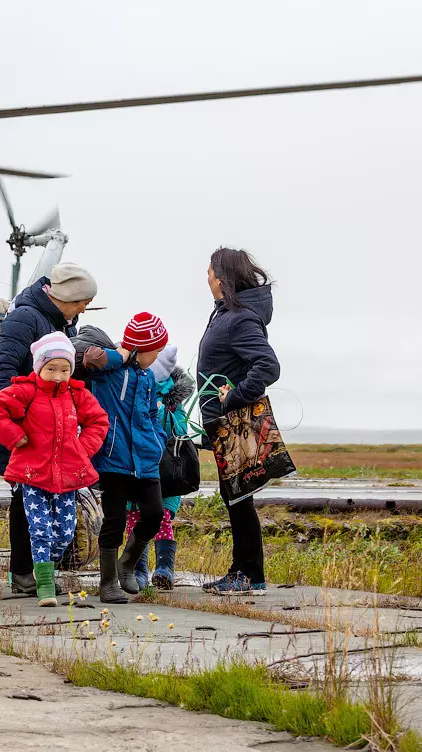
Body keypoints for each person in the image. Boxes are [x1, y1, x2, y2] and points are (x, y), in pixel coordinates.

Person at [0, 262, 98, 595]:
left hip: (50, 428)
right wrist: (11, 428)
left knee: (45, 500)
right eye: (82, 301)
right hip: (25, 428)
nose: (84, 307)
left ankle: (33, 568)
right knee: (25, 499)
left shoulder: (61, 323)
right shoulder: (25, 318)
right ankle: (21, 571)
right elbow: (3, 370)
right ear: (66, 296)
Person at [198, 248, 280, 596]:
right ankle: (242, 572)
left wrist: (232, 398)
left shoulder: (240, 318)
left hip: (236, 423)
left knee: (239, 497)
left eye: (210, 272)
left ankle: (250, 576)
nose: (207, 278)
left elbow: (268, 367)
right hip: (222, 424)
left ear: (222, 278)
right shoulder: (226, 314)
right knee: (235, 495)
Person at [85, 312, 169, 602]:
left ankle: (128, 563)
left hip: (145, 458)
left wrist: (158, 441)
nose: (157, 357)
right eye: (155, 351)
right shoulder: (108, 371)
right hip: (114, 458)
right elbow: (89, 358)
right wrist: (122, 354)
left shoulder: (147, 377)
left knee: (155, 513)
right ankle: (107, 582)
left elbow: (151, 414)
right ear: (139, 348)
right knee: (115, 520)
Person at [125, 344, 195, 591]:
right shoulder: (132, 389)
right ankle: (138, 569)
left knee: (162, 518)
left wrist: (167, 415)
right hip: (137, 470)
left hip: (165, 475)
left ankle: (165, 568)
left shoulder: (173, 401)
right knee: (135, 520)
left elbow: (182, 432)